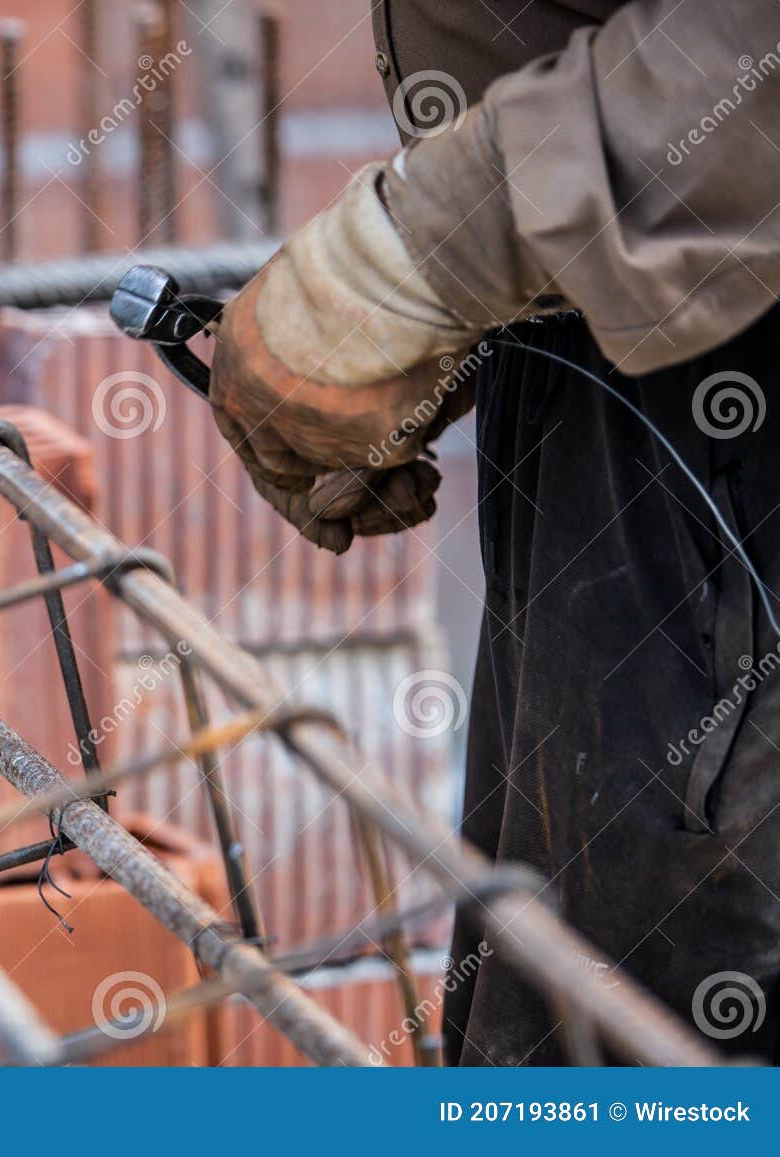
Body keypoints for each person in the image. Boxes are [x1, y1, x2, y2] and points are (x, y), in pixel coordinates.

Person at [208, 1, 780, 1063]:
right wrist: (474, 295)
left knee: (666, 1036)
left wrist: (436, 245)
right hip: (639, 355)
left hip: (744, 399)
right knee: (556, 1011)